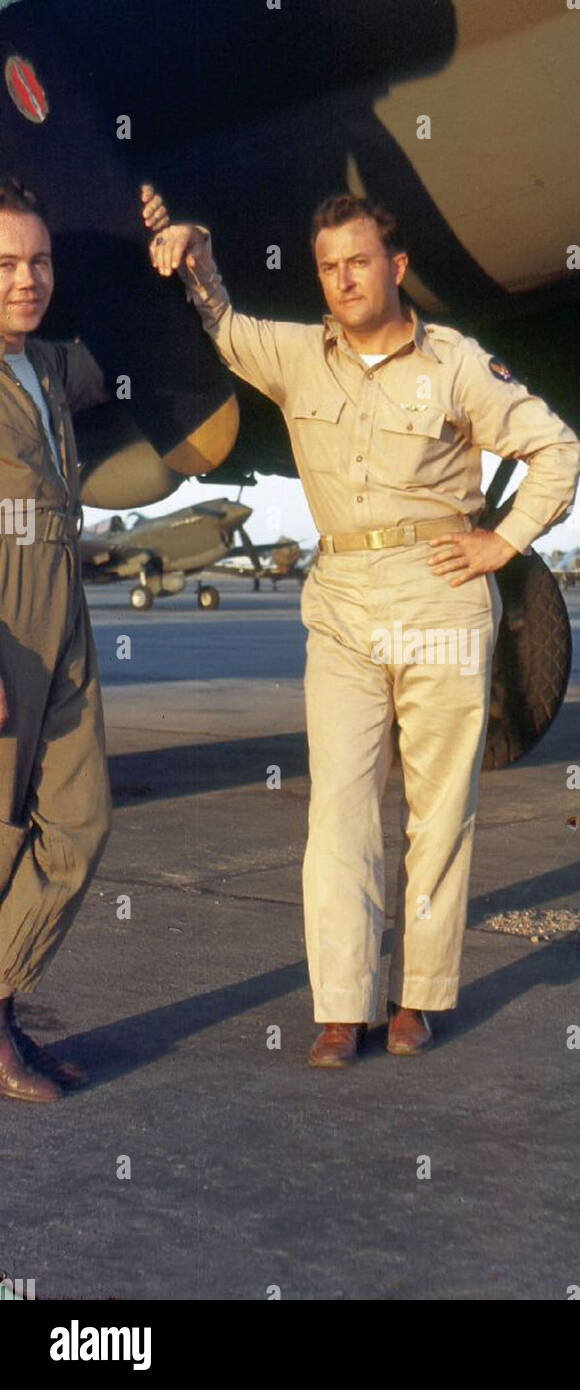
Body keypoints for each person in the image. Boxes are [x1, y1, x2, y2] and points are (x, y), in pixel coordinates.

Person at [142, 185, 580, 1067]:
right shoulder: (300, 355)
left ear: (397, 268)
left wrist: (500, 543)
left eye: (359, 263)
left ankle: (418, 998)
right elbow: (226, 324)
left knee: (438, 811)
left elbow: (556, 450)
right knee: (338, 811)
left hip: (439, 594)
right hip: (341, 598)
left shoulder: (454, 363)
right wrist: (190, 252)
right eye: (329, 268)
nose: (344, 281)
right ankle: (341, 1008)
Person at [0, 178, 164, 1101]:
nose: (27, 280)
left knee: (80, 814)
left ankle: (1, 1000)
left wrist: (162, 248)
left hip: (63, 607)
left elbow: (133, 344)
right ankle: (2, 1034)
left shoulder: (46, 366)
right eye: (6, 264)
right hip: (3, 614)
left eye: (40, 261)